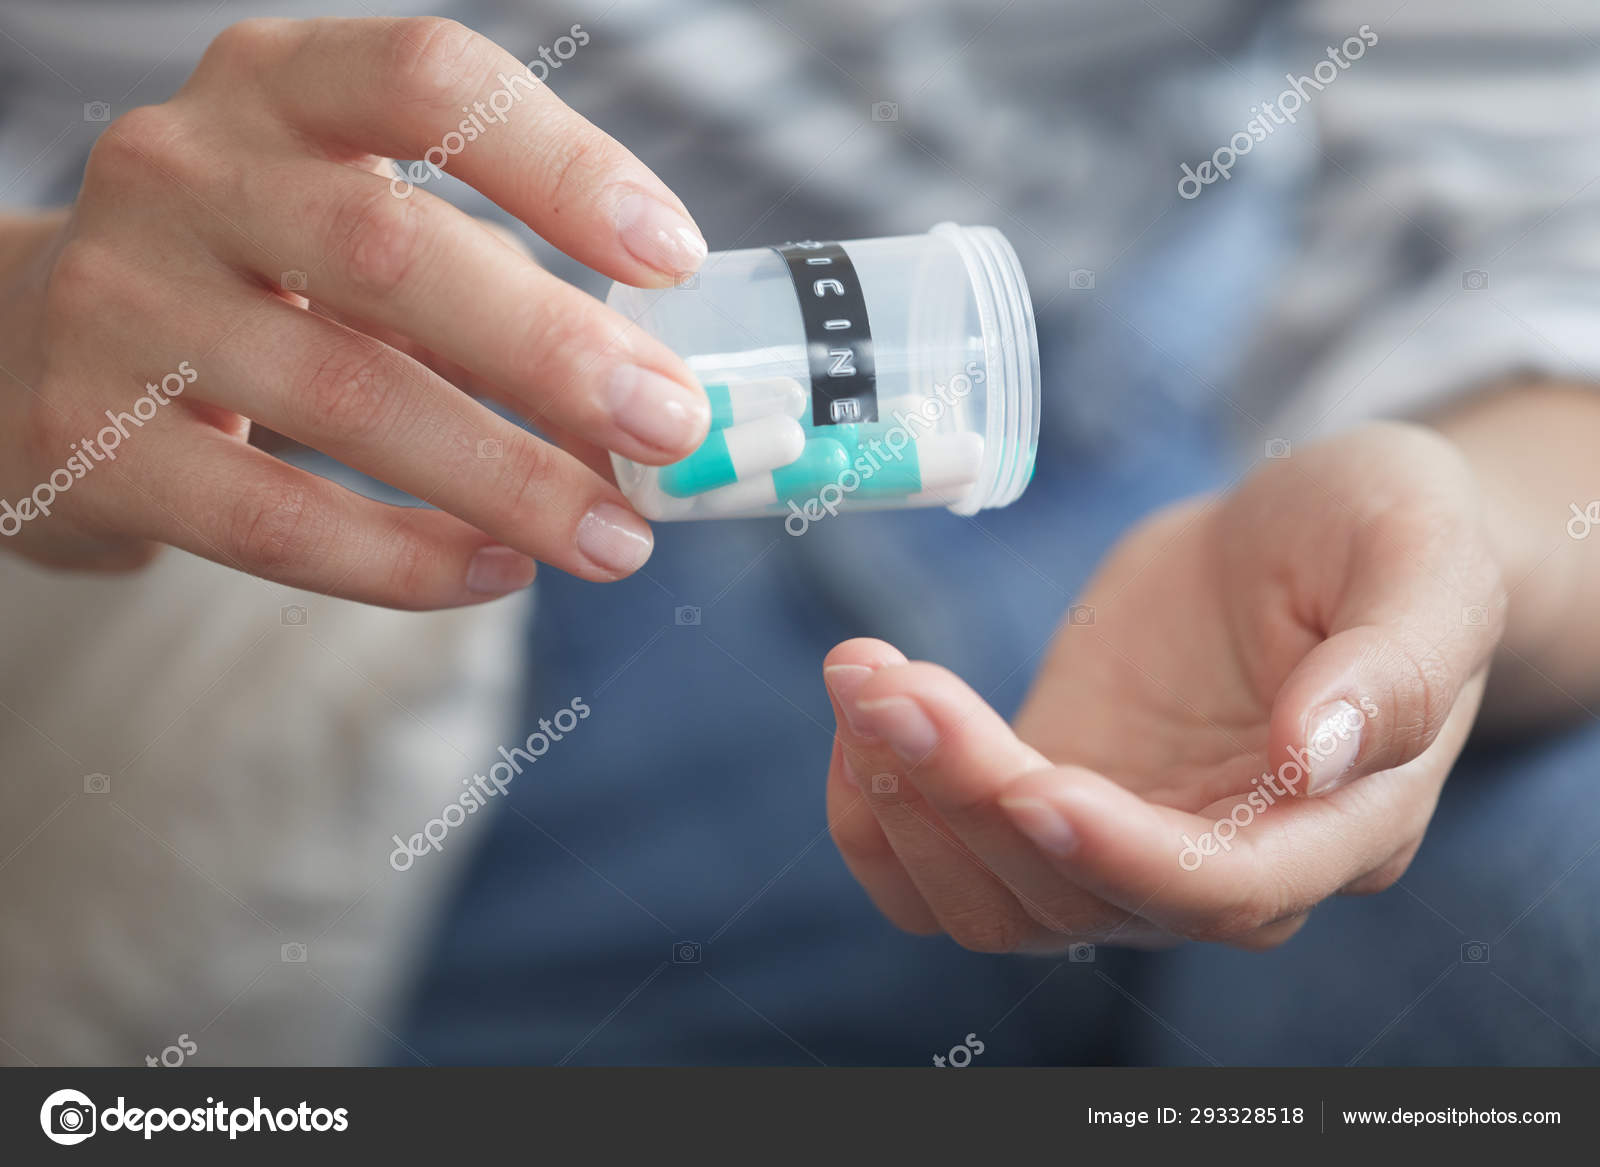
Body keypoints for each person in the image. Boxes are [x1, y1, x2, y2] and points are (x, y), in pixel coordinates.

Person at [2, 1, 1598, 1066]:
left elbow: (1558, 235)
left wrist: (1458, 550)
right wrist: (31, 329)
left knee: (1540, 945)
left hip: (1102, 470)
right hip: (260, 549)